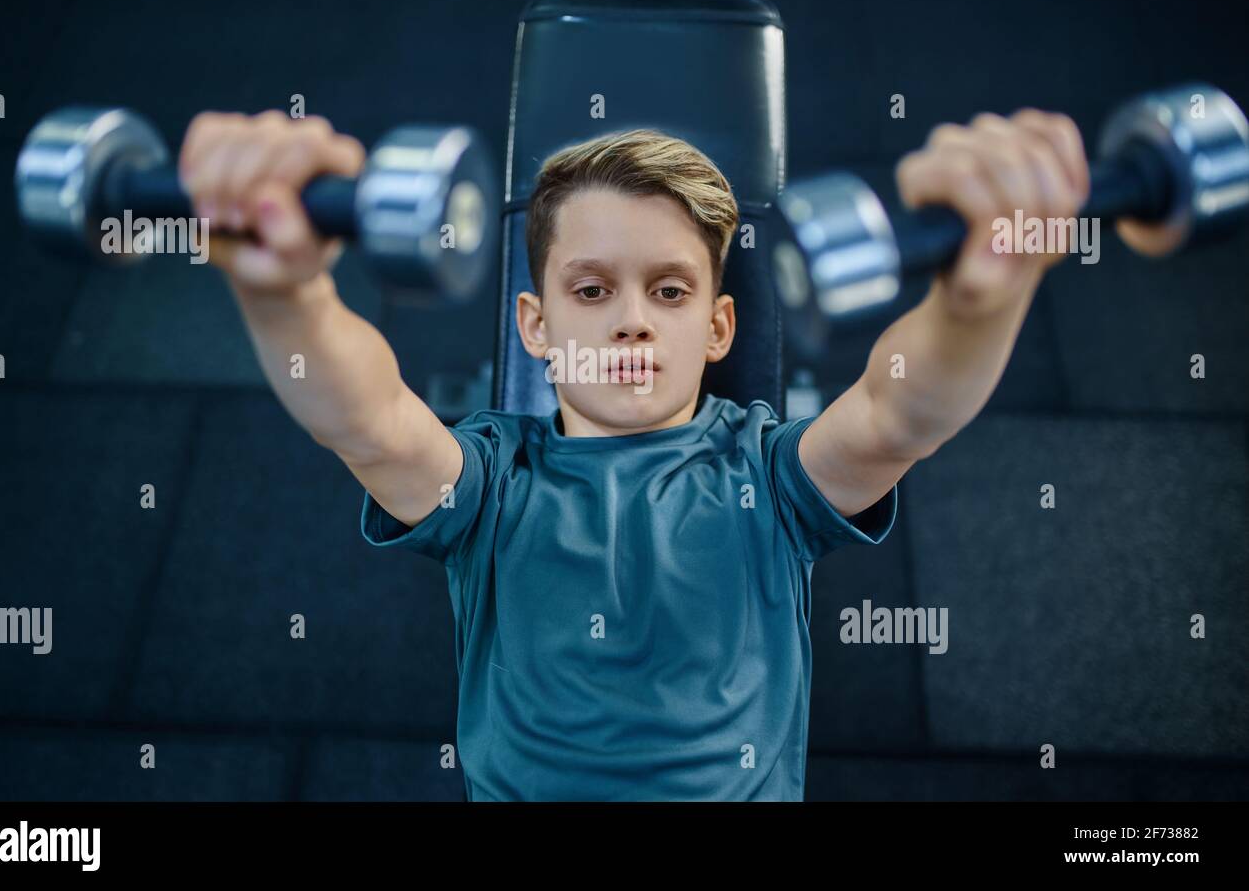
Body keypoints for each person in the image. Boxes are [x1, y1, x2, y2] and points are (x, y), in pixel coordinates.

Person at [179, 106, 1089, 800]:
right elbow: (370, 420)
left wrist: (977, 306)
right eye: (591, 288)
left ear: (718, 327)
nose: (631, 318)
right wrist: (288, 297)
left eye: (668, 290)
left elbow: (898, 413)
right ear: (535, 326)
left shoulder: (766, 476)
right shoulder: (496, 481)